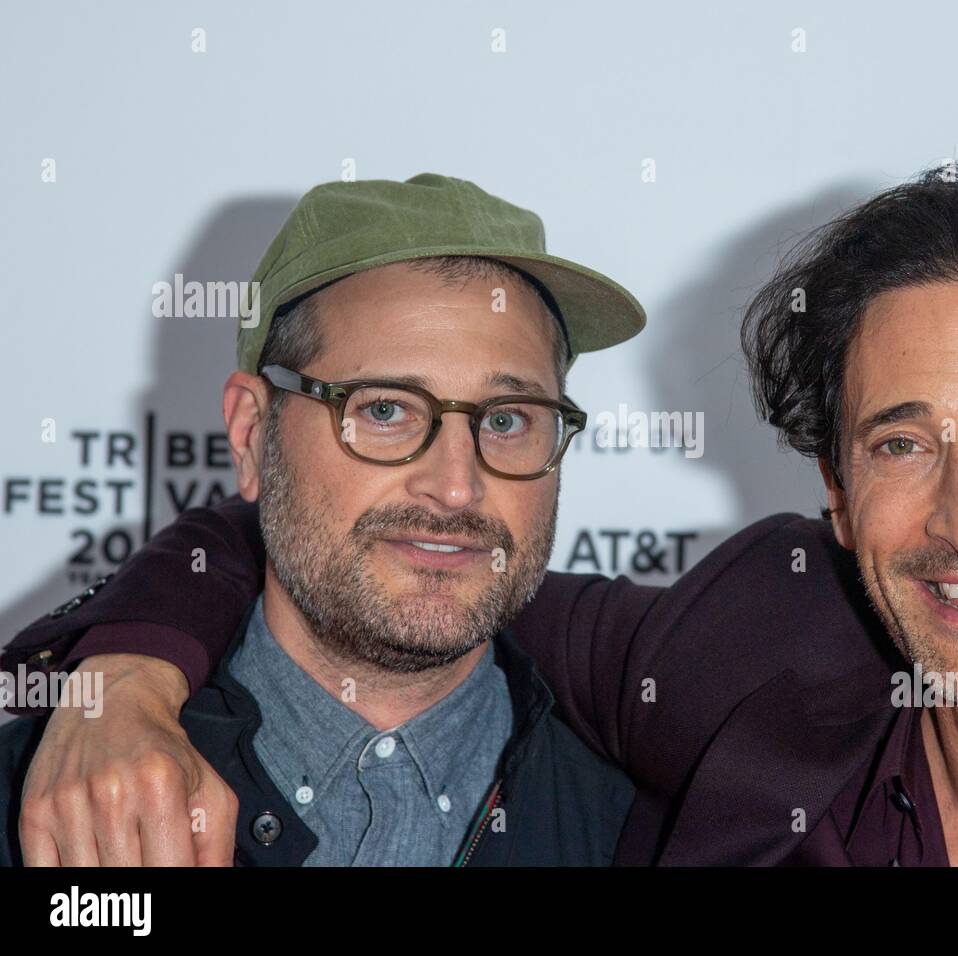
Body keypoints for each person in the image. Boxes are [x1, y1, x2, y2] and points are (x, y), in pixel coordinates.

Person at [7, 164, 958, 866]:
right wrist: (115, 680)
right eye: (387, 411)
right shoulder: (742, 703)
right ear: (839, 497)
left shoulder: (646, 775)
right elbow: (333, 553)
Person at [0, 172, 645, 866]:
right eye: (385, 409)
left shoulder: (655, 828)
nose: (457, 487)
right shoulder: (44, 817)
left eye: (508, 419)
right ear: (252, 434)